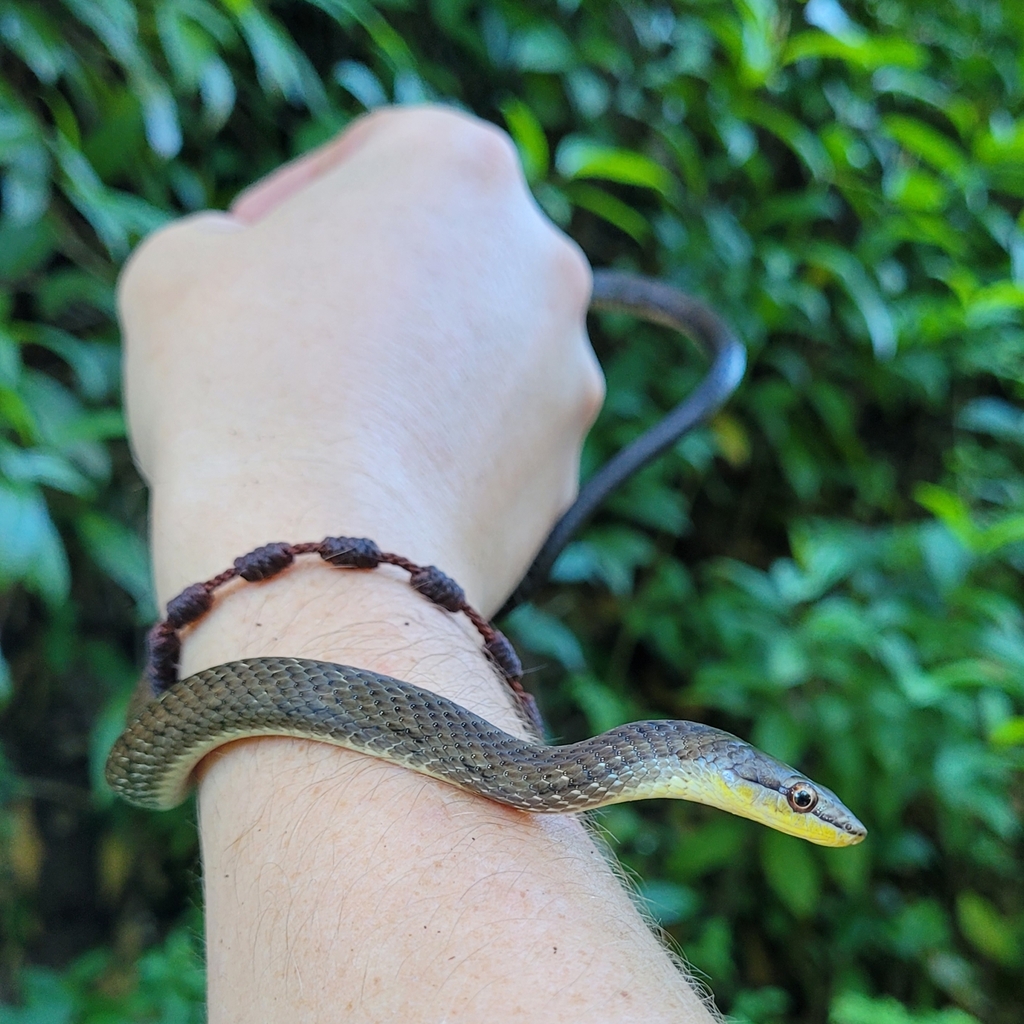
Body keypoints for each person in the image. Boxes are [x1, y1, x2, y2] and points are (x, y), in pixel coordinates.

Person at [119, 104, 720, 1024]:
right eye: (797, 799)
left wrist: (280, 479)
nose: (818, 817)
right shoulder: (579, 767)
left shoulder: (567, 771)